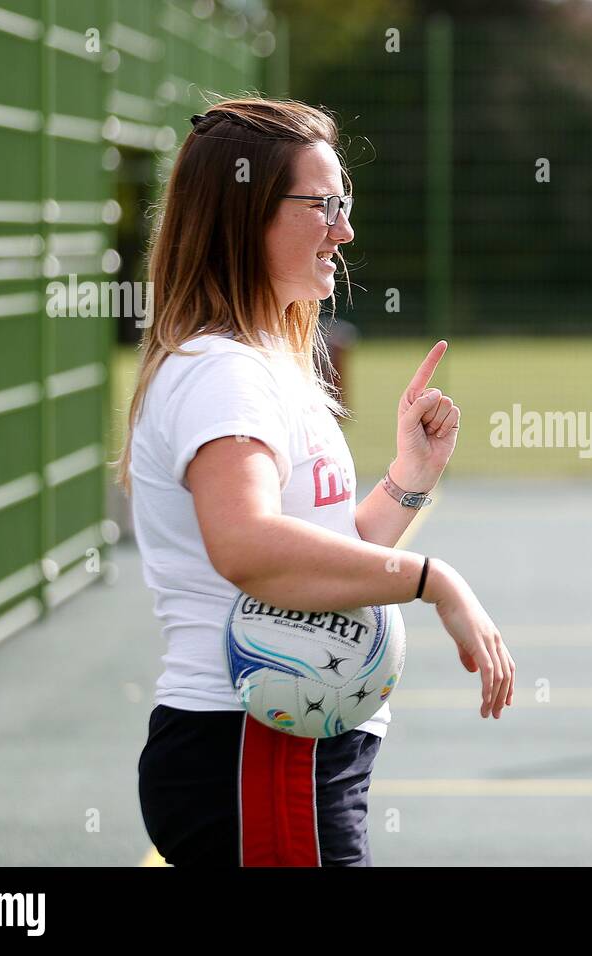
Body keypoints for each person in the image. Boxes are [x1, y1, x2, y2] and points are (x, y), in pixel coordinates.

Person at [116, 98, 515, 867]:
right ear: (246, 212)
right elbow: (248, 546)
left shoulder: (268, 361)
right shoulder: (222, 372)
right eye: (325, 205)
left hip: (284, 749)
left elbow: (322, 560)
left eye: (347, 204)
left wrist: (407, 480)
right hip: (255, 749)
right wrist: (435, 581)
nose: (346, 230)